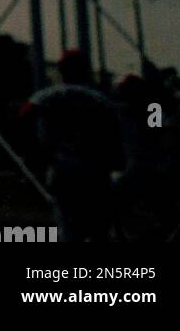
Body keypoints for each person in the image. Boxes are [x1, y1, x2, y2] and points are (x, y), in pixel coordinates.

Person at [23, 49, 125, 242]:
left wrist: (35, 150)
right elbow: (113, 133)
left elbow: (25, 115)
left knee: (68, 228)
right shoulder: (99, 99)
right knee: (98, 228)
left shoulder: (48, 95)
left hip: (62, 167)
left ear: (62, 70)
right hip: (94, 169)